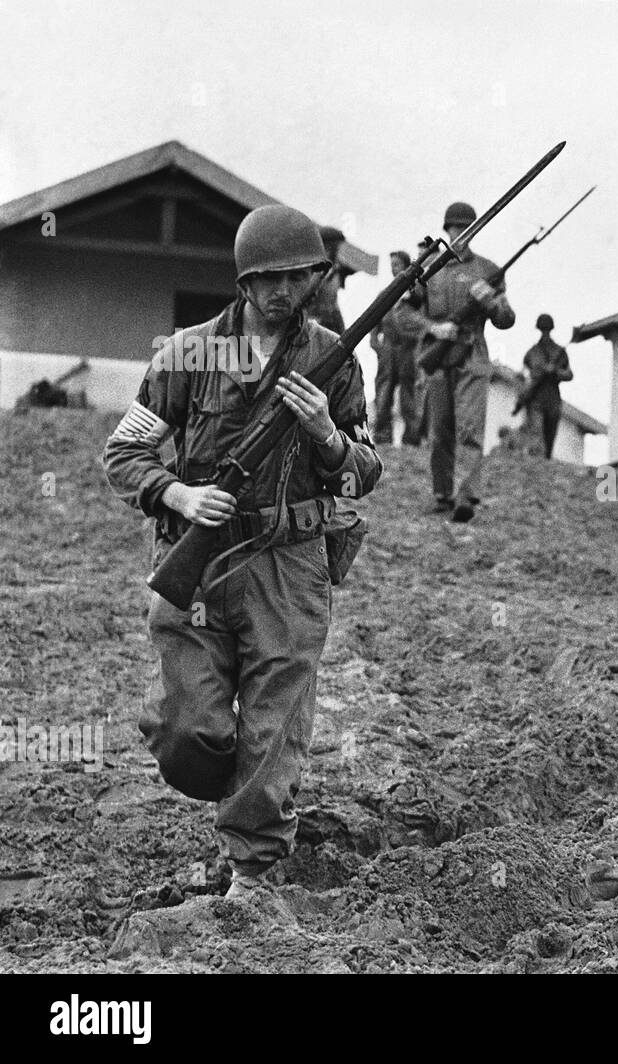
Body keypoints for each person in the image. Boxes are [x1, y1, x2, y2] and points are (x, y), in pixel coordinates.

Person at [102, 204, 383, 899]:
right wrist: (178, 496)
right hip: (198, 558)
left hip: (289, 564)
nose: (284, 293)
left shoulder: (334, 363)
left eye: (299, 277)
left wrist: (325, 434)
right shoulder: (189, 353)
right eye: (269, 279)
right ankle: (237, 787)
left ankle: (252, 866)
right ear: (244, 281)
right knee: (184, 733)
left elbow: (363, 472)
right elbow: (124, 451)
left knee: (276, 714)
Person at [421, 201, 516, 521]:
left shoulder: (488, 270)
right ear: (446, 230)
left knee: (469, 428)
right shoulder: (428, 270)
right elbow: (402, 312)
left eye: (467, 228)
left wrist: (489, 301)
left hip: (472, 355)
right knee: (440, 429)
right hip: (438, 355)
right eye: (455, 228)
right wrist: (433, 327)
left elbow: (506, 319)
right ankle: (442, 493)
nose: (461, 234)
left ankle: (466, 495)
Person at [369, 250, 425, 446]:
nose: (394, 268)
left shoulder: (416, 295)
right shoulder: (385, 294)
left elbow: (422, 322)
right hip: (388, 349)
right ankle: (382, 435)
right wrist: (378, 347)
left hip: (408, 350)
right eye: (392, 264)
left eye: (398, 264)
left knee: (408, 396)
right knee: (383, 394)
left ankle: (411, 437)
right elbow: (373, 323)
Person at [520, 313, 574, 459]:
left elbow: (569, 374)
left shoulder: (560, 352)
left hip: (553, 398)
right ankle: (537, 462)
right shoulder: (532, 353)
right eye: (543, 329)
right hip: (536, 398)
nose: (545, 332)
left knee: (550, 436)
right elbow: (524, 375)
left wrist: (555, 371)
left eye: (546, 329)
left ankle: (545, 462)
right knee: (537, 434)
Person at [306, 225, 348, 334]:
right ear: (329, 246)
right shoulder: (312, 269)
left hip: (328, 326)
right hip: (310, 326)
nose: (339, 251)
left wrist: (343, 332)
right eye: (337, 247)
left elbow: (334, 304)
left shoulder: (335, 271)